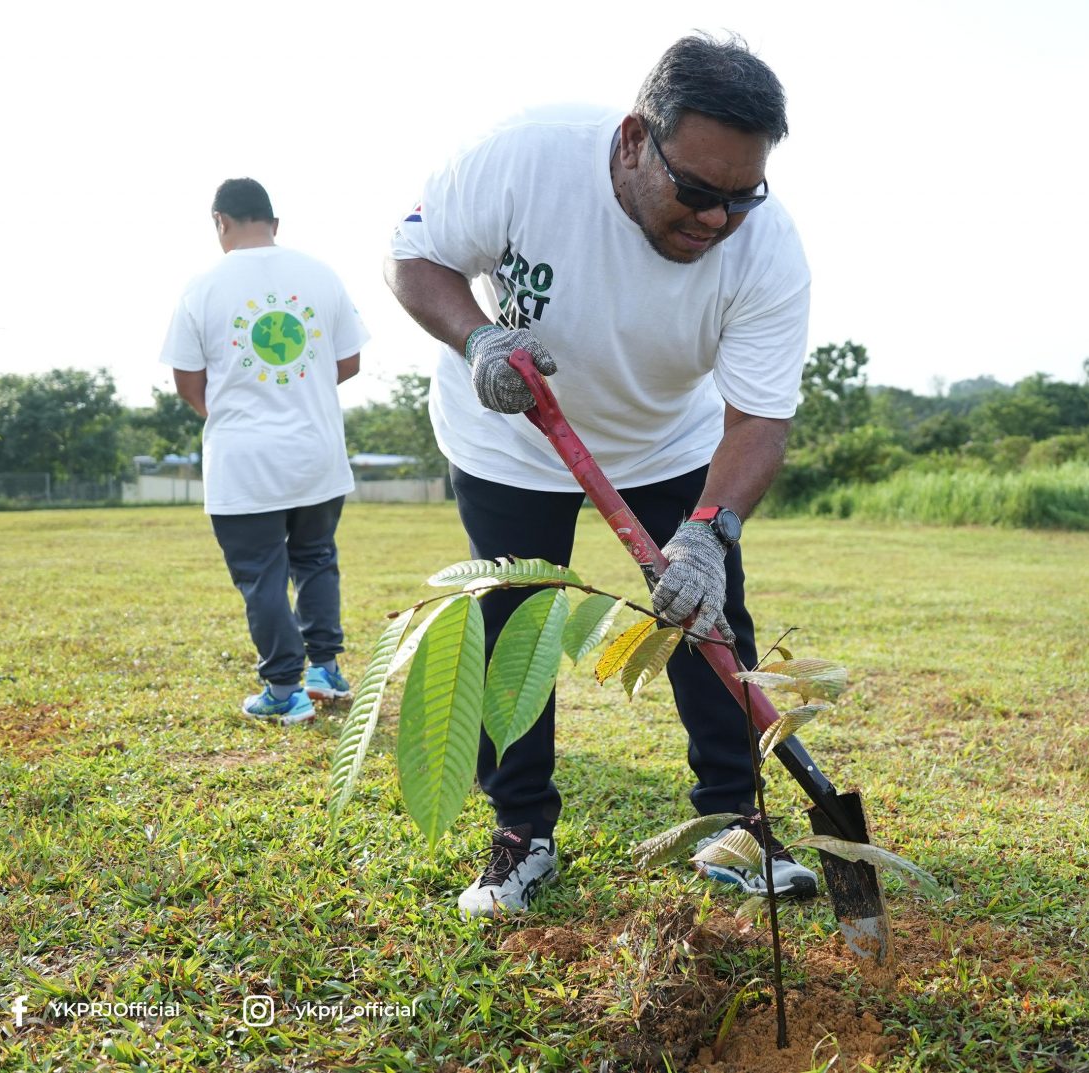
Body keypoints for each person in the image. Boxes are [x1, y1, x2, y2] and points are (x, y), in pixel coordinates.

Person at [385, 34, 818, 916]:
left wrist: (709, 533)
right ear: (633, 140)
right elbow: (412, 258)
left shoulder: (766, 250)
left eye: (741, 198)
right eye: (695, 191)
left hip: (665, 442)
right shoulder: (525, 159)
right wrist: (479, 338)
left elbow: (761, 419)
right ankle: (522, 833)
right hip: (511, 427)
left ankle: (735, 821)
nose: (714, 220)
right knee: (518, 623)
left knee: (710, 616)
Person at [162, 178, 369, 724]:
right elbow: (348, 362)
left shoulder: (201, 286)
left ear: (219, 222)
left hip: (243, 459)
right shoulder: (320, 274)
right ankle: (324, 669)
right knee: (316, 558)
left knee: (261, 574)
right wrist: (299, 394)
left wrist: (237, 414)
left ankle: (283, 691)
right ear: (275, 223)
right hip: (317, 450)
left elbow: (187, 381)